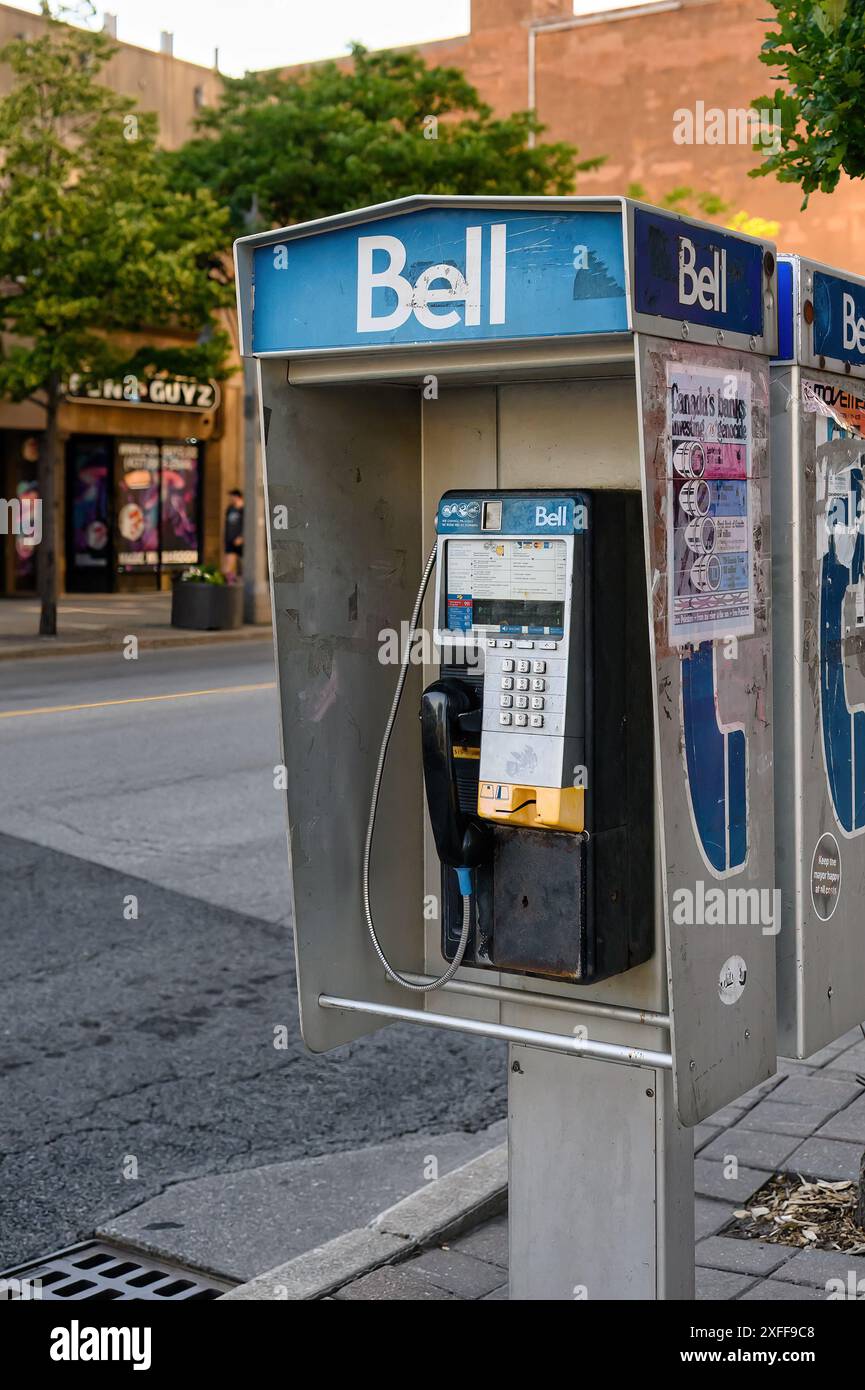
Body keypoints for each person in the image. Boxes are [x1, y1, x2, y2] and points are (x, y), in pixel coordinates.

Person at [223, 488, 244, 576]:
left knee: (243, 564)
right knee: (229, 562)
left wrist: (242, 537)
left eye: (232, 497)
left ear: (238, 497)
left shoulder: (245, 509)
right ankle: (226, 580)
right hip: (230, 540)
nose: (231, 499)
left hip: (241, 541)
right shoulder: (230, 509)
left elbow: (248, 524)